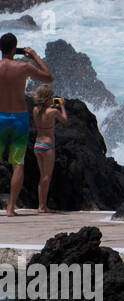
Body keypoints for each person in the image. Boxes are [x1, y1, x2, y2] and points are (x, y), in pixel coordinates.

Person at [0, 34, 54, 216]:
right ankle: (10, 208)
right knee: (17, 164)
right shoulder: (23, 67)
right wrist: (35, 57)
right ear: (15, 49)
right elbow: (48, 77)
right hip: (19, 118)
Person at [32, 85, 68, 213]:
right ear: (48, 98)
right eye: (51, 96)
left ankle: (41, 205)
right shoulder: (53, 112)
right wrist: (62, 106)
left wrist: (51, 105)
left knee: (42, 176)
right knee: (47, 176)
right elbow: (64, 120)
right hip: (48, 145)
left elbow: (43, 112)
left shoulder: (35, 110)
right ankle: (43, 206)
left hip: (37, 144)